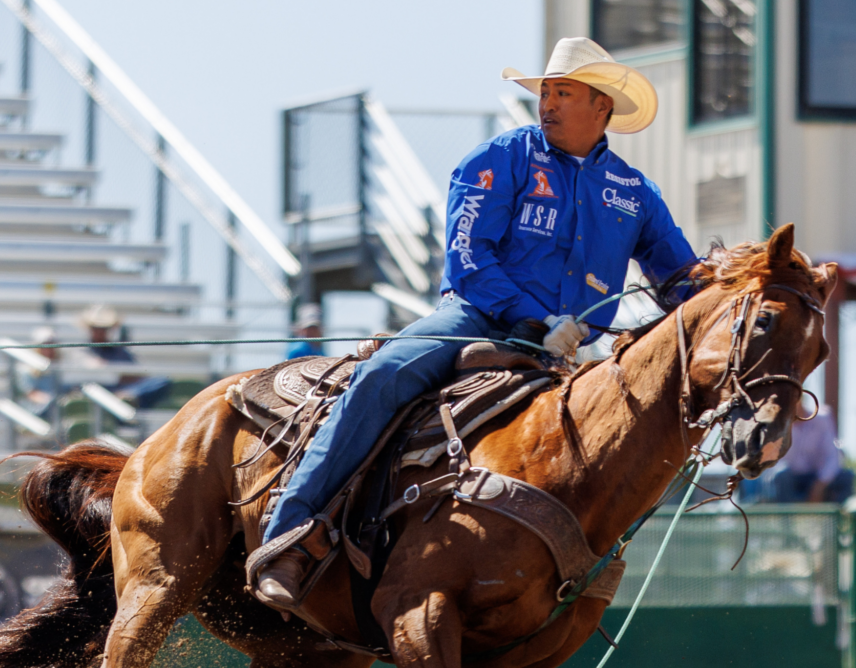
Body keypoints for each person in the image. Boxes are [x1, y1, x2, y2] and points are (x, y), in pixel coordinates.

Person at [257, 37, 698, 605]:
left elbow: (683, 281)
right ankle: (288, 537)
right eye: (547, 92)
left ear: (602, 106)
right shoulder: (499, 158)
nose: (549, 104)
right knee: (380, 378)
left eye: (564, 93)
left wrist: (749, 293)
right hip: (474, 321)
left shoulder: (634, 193)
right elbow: (468, 260)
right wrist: (539, 319)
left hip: (563, 355)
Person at [79, 304, 172, 409]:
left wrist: (119, 376)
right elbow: (94, 373)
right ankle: (127, 399)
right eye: (96, 328)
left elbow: (137, 374)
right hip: (100, 393)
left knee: (161, 381)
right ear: (90, 329)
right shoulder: (83, 350)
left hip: (125, 390)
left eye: (104, 328)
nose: (100, 332)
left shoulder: (120, 350)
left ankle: (129, 397)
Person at [769, 401, 853, 503]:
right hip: (791, 479)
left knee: (847, 476)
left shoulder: (821, 418)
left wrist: (820, 485)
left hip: (818, 476)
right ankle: (786, 518)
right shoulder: (776, 423)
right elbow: (777, 461)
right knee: (781, 475)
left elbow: (832, 457)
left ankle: (841, 517)